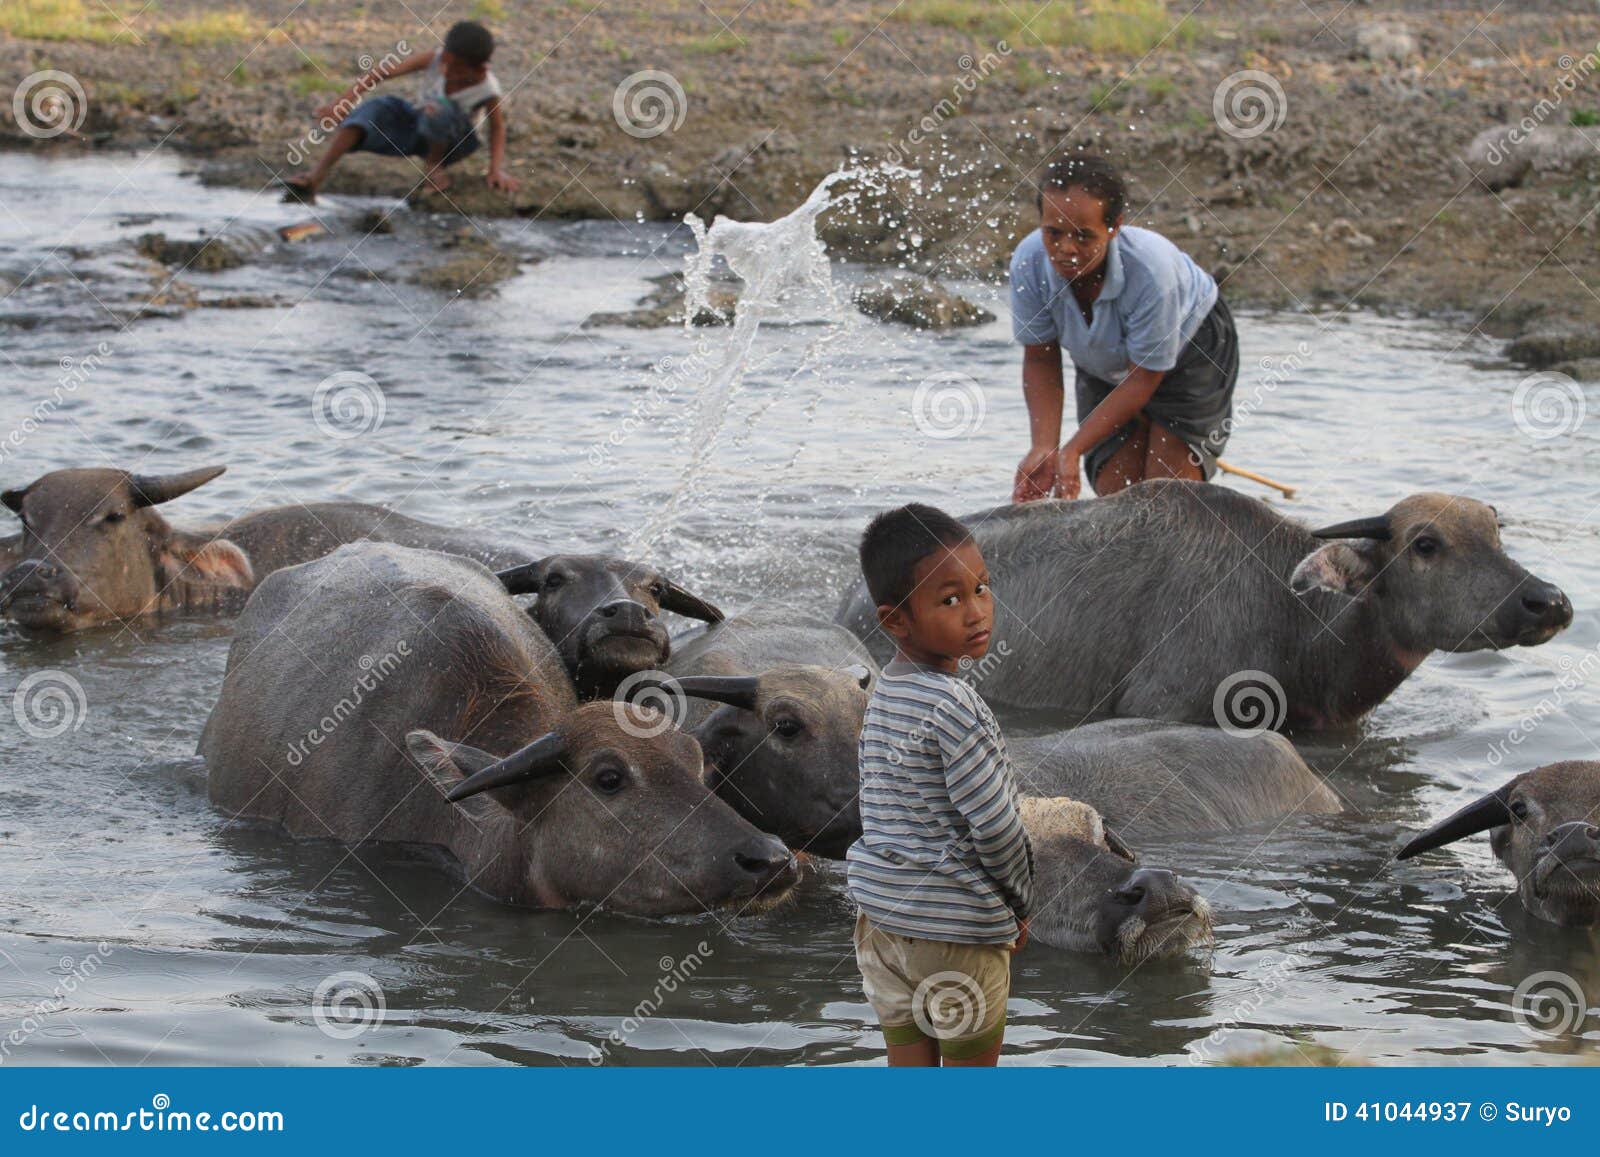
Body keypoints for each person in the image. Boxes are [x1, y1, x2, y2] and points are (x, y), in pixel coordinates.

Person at [847, 503, 1034, 1067]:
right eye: (950, 600)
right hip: (956, 932)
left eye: (982, 588)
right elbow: (996, 825)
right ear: (895, 620)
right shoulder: (956, 707)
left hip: (882, 924)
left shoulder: (884, 694)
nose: (977, 612)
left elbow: (880, 807)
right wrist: (1020, 903)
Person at [1010, 153, 1238, 502]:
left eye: (1084, 236)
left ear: (1114, 227)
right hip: (1105, 360)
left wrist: (1072, 450)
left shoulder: (1152, 273)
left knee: (1166, 502)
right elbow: (1041, 358)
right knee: (1118, 501)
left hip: (1191, 352)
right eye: (1053, 233)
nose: (1066, 248)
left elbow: (1143, 378)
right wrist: (1045, 447)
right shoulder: (1029, 262)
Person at [283, 21, 519, 203]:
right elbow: (381, 73)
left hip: (453, 141)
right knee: (373, 109)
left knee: (438, 110)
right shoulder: (436, 59)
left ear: (479, 68)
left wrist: (495, 169)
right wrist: (341, 102)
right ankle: (316, 177)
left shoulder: (488, 89)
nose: (446, 71)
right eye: (445, 64)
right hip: (418, 126)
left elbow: (497, 128)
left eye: (455, 68)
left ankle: (433, 167)